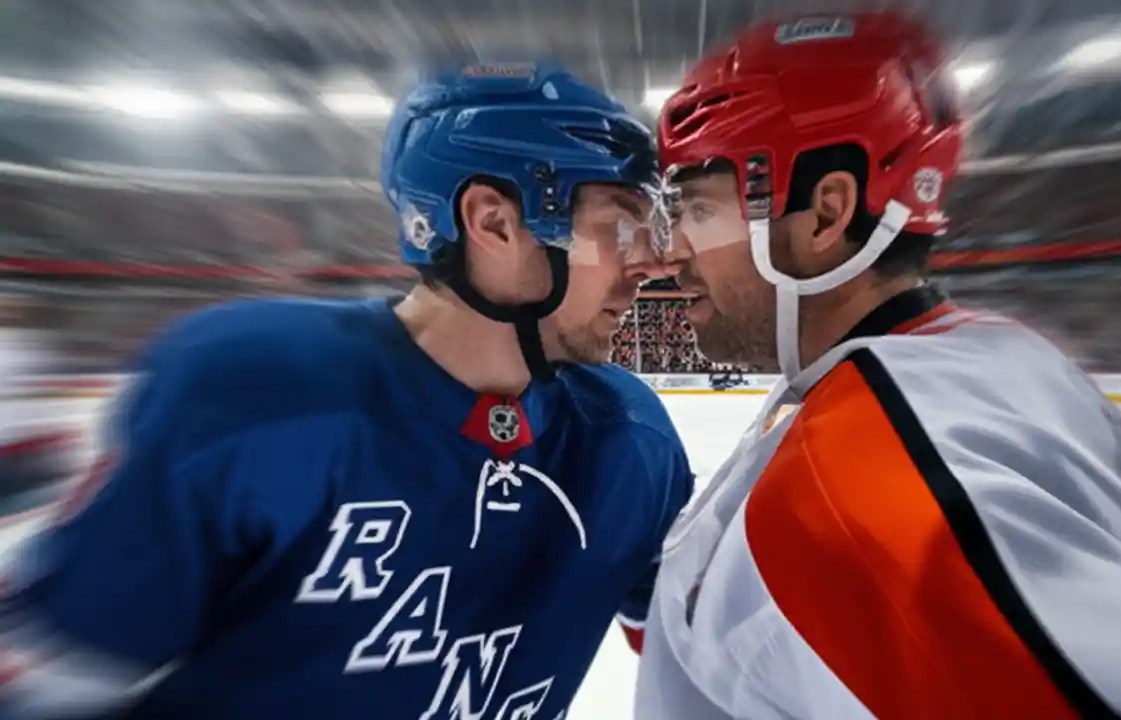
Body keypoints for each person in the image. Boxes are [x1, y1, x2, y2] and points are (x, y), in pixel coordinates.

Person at [0, 63, 693, 719]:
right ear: (493, 222)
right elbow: (64, 675)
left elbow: (703, 648)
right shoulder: (249, 389)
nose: (652, 261)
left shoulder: (636, 441)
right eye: (621, 225)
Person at [637, 12, 1121, 719]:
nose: (672, 254)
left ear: (825, 215)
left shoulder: (844, 488)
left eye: (698, 209)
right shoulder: (1011, 355)